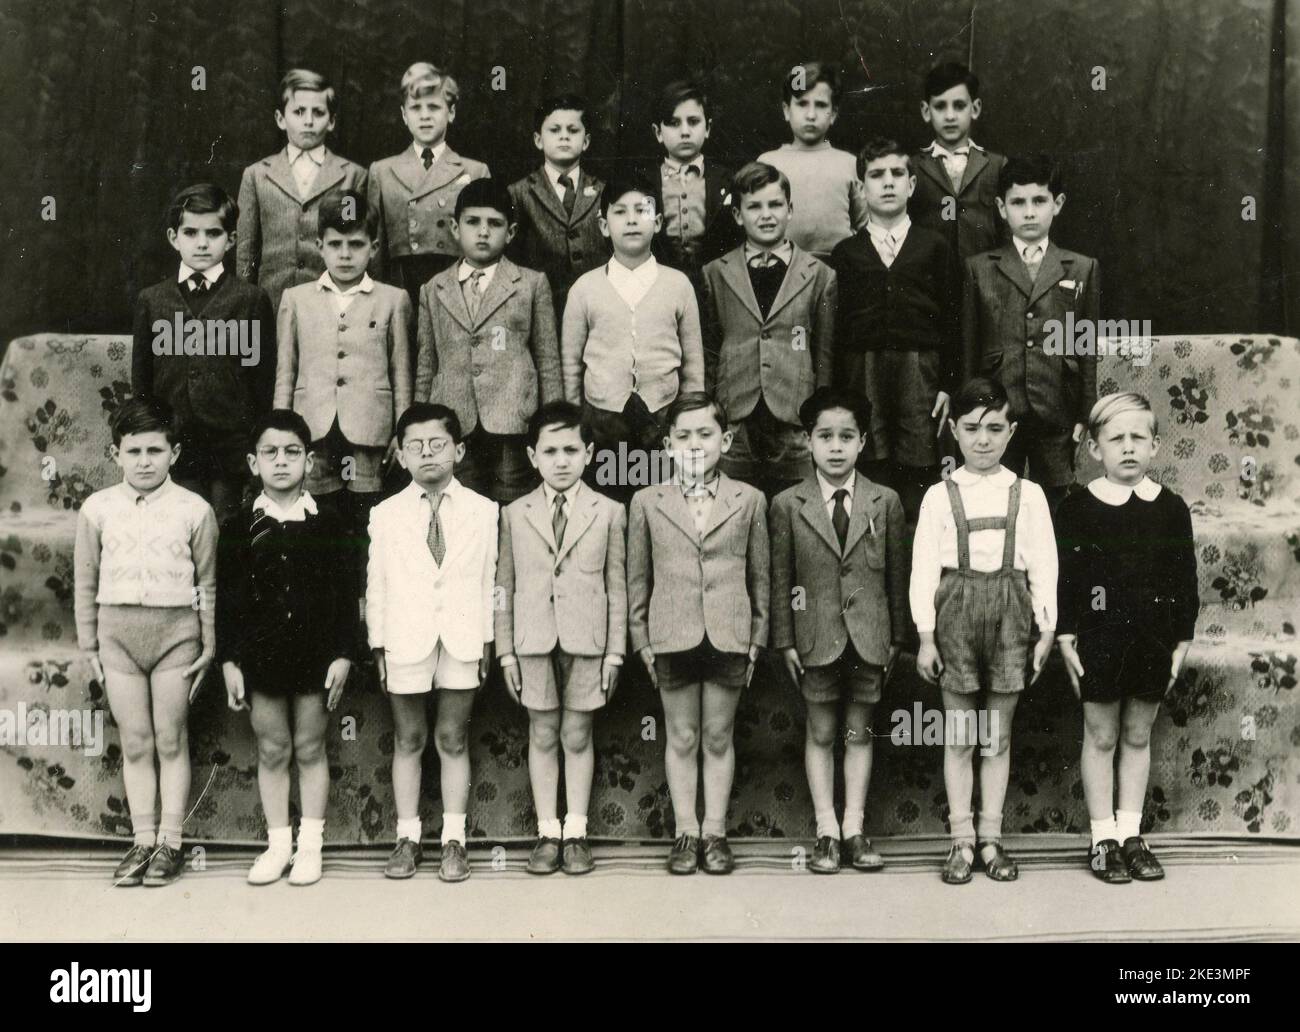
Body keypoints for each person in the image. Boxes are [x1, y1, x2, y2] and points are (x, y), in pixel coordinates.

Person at [74, 398, 217, 887]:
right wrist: (90, 645)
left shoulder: (195, 510)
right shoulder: (97, 509)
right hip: (118, 640)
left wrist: (209, 644)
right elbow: (85, 581)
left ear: (174, 453)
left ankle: (171, 844)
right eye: (133, 451)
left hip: (176, 637)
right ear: (116, 454)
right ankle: (142, 840)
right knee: (135, 741)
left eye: (155, 450)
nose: (144, 461)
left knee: (171, 738)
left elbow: (207, 584)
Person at [1055, 392, 1198, 883]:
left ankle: (1131, 833)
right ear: (1095, 449)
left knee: (1137, 737)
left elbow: (1185, 583)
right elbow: (1067, 580)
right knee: (1101, 736)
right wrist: (1065, 636)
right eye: (1116, 439)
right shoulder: (1078, 507)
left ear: (1155, 445)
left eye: (1139, 437)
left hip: (1153, 642)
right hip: (1098, 642)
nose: (1128, 447)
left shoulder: (1172, 509)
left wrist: (1181, 643)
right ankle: (1103, 838)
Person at [628, 392, 769, 874]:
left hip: (729, 632)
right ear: (668, 444)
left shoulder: (749, 500)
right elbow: (637, 579)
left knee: (716, 734)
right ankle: (685, 831)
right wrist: (642, 640)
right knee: (683, 735)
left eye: (705, 434)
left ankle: (715, 833)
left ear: (725, 440)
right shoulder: (646, 501)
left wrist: (757, 638)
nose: (694, 444)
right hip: (672, 633)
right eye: (683, 435)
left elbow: (760, 576)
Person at [217, 409, 358, 886]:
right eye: (270, 453)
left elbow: (346, 595)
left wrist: (343, 653)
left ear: (309, 460)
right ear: (253, 462)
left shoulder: (330, 522)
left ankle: (310, 848)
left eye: (292, 452)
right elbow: (229, 603)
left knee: (309, 746)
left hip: (316, 657)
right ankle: (279, 846)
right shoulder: (238, 526)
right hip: (262, 657)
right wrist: (230, 660)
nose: (281, 462)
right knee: (273, 748)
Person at [495, 402, 627, 875]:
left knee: (577, 733)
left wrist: (615, 651)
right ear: (532, 457)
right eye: (550, 450)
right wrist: (505, 650)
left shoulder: (610, 512)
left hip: (588, 641)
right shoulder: (513, 513)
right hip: (532, 640)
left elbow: (618, 586)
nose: (561, 460)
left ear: (589, 453)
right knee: (543, 732)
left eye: (571, 449)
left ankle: (576, 831)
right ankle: (547, 831)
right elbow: (502, 589)